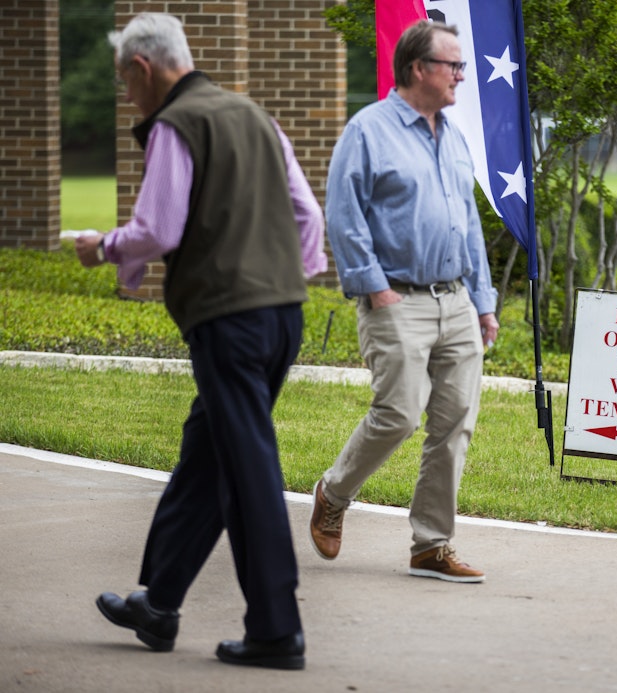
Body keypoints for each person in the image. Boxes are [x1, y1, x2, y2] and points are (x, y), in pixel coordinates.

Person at [76, 12, 327, 670]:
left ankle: (277, 629)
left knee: (247, 469)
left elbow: (156, 227)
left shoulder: (176, 124)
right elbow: (309, 214)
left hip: (229, 320)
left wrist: (103, 248)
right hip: (282, 315)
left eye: (125, 85)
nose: (128, 98)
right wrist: (285, 275)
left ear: (143, 68)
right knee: (207, 452)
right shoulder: (254, 116)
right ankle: (157, 602)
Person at [311, 20, 498, 583]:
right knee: (397, 413)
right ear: (420, 69)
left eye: (462, 66)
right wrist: (376, 288)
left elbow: (468, 225)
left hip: (456, 300)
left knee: (455, 423)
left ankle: (430, 545)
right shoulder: (369, 131)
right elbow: (345, 215)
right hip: (397, 300)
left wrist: (483, 302)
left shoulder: (454, 136)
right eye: (453, 66)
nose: (461, 75)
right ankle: (333, 492)